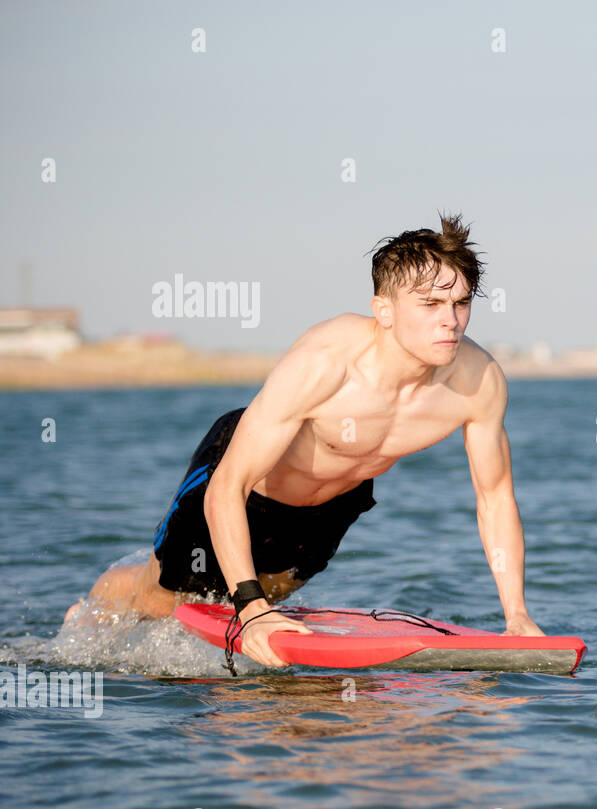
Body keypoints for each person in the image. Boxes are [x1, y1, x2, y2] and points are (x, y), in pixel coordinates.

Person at [73, 213, 545, 667]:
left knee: (272, 595)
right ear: (383, 310)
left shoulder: (478, 382)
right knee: (162, 596)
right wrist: (250, 610)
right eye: (431, 304)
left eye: (461, 303)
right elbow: (227, 486)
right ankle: (99, 602)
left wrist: (517, 616)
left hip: (332, 507)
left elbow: (495, 498)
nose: (452, 320)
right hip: (247, 484)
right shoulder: (327, 362)